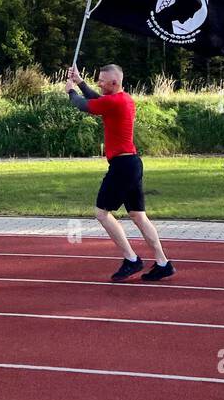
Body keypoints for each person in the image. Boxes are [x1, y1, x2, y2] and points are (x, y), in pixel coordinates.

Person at [66, 63, 175, 282]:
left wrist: (70, 91)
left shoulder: (114, 102)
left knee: (101, 213)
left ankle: (131, 259)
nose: (98, 82)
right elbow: (97, 99)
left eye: (102, 80)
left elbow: (84, 104)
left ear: (114, 83)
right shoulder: (122, 99)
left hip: (122, 167)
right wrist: (79, 82)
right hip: (132, 164)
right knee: (138, 216)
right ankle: (163, 263)